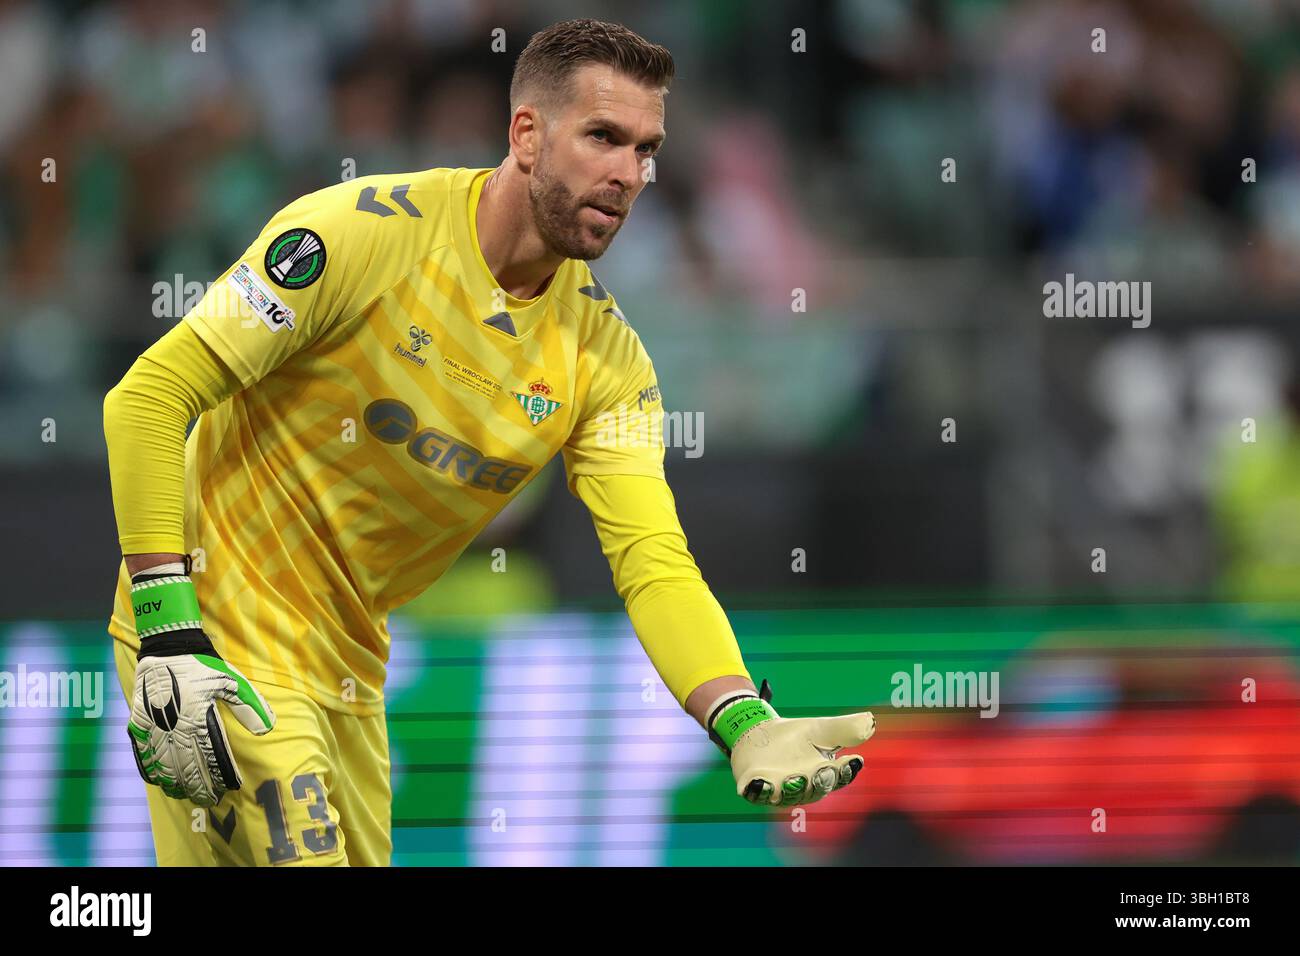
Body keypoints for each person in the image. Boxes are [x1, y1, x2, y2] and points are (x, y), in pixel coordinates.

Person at [102, 18, 874, 866]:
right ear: (528, 136)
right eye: (604, 138)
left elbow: (654, 561)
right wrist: (169, 630)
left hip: (349, 665)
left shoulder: (607, 364)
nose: (628, 173)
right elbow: (147, 397)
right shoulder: (358, 233)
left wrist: (740, 719)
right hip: (216, 627)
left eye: (646, 150)